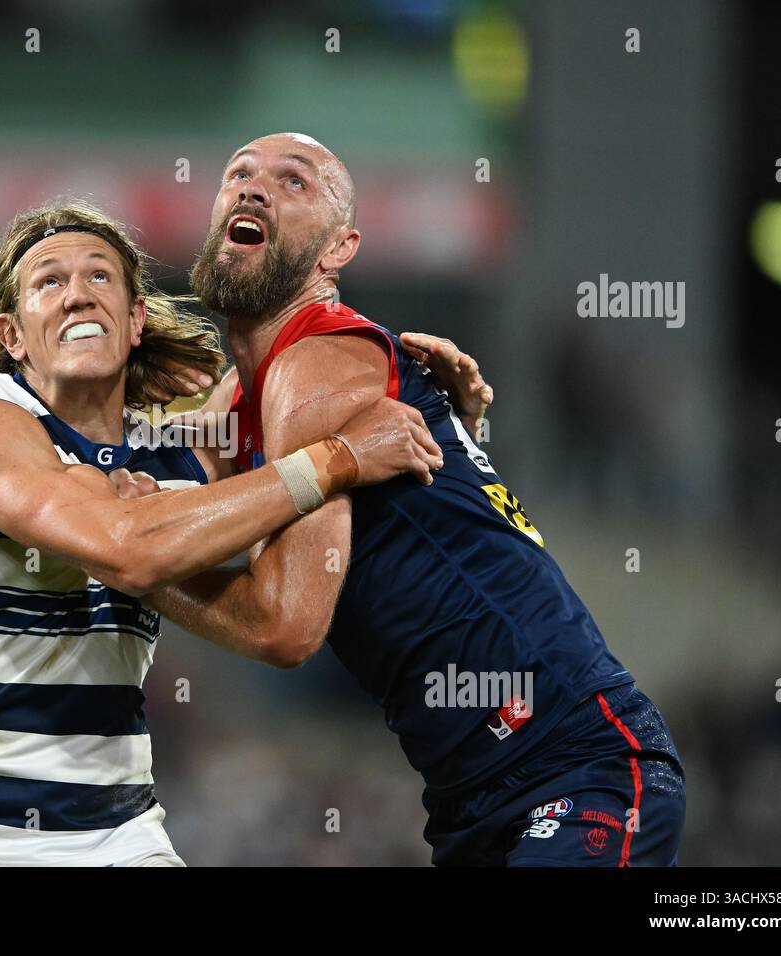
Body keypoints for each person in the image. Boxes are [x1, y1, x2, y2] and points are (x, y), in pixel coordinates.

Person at [144, 133, 686, 866]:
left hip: (577, 765)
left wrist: (130, 563)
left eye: (293, 181)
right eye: (237, 173)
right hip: (471, 804)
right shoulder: (237, 399)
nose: (252, 187)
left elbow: (282, 625)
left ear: (339, 249)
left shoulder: (319, 361)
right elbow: (148, 513)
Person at [0, 199, 448, 866]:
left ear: (135, 318)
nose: (77, 294)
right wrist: (339, 458)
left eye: (100, 277)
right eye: (49, 281)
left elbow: (279, 623)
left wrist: (408, 369)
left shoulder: (174, 460)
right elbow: (129, 550)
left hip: (117, 833)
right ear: (12, 335)